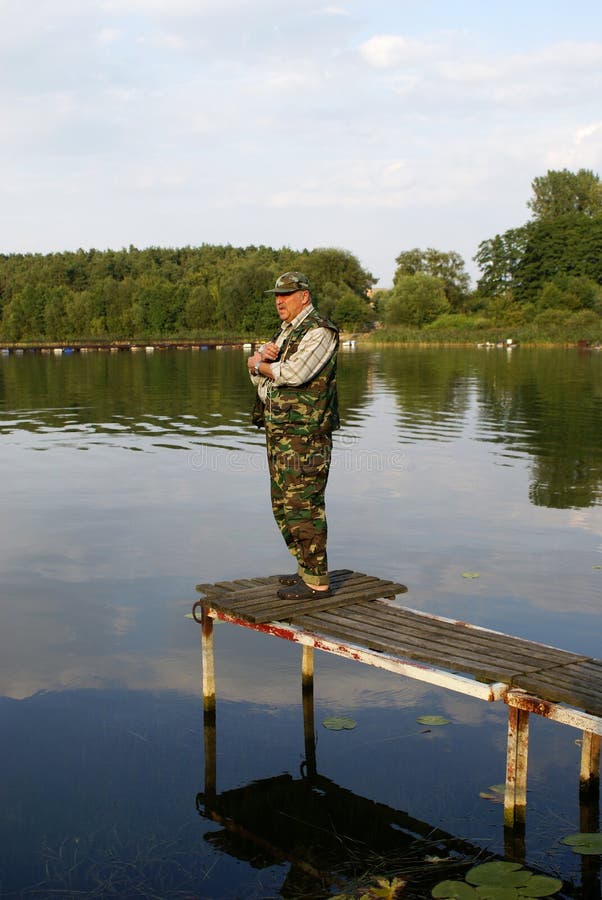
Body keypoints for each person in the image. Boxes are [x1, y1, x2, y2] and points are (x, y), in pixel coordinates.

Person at [247, 271, 339, 600]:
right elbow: (265, 382)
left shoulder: (319, 331)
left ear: (304, 296)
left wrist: (259, 364)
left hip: (305, 435)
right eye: (276, 295)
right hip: (281, 432)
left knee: (304, 505)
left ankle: (317, 582)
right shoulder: (285, 332)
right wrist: (258, 366)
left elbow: (295, 374)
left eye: (286, 294)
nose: (279, 301)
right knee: (283, 504)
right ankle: (305, 569)